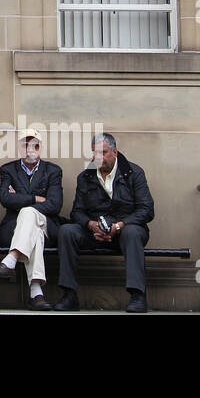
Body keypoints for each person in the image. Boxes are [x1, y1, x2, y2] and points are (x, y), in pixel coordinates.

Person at [54, 132, 155, 313]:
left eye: (103, 152)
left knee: (132, 233)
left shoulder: (134, 173)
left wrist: (120, 225)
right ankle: (69, 295)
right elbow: (77, 212)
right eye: (95, 153)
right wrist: (91, 225)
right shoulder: (85, 176)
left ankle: (137, 296)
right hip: (95, 232)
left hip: (125, 231)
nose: (98, 157)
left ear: (115, 152)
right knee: (67, 231)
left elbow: (146, 210)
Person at [0, 131, 63, 310]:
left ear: (40, 148)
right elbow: (5, 198)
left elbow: (55, 205)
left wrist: (21, 202)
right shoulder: (7, 170)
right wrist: (36, 198)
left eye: (34, 145)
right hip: (15, 229)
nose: (30, 150)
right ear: (20, 148)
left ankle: (10, 260)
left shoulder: (53, 171)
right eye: (25, 145)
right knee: (34, 234)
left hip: (47, 226)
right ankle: (36, 294)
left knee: (29, 215)